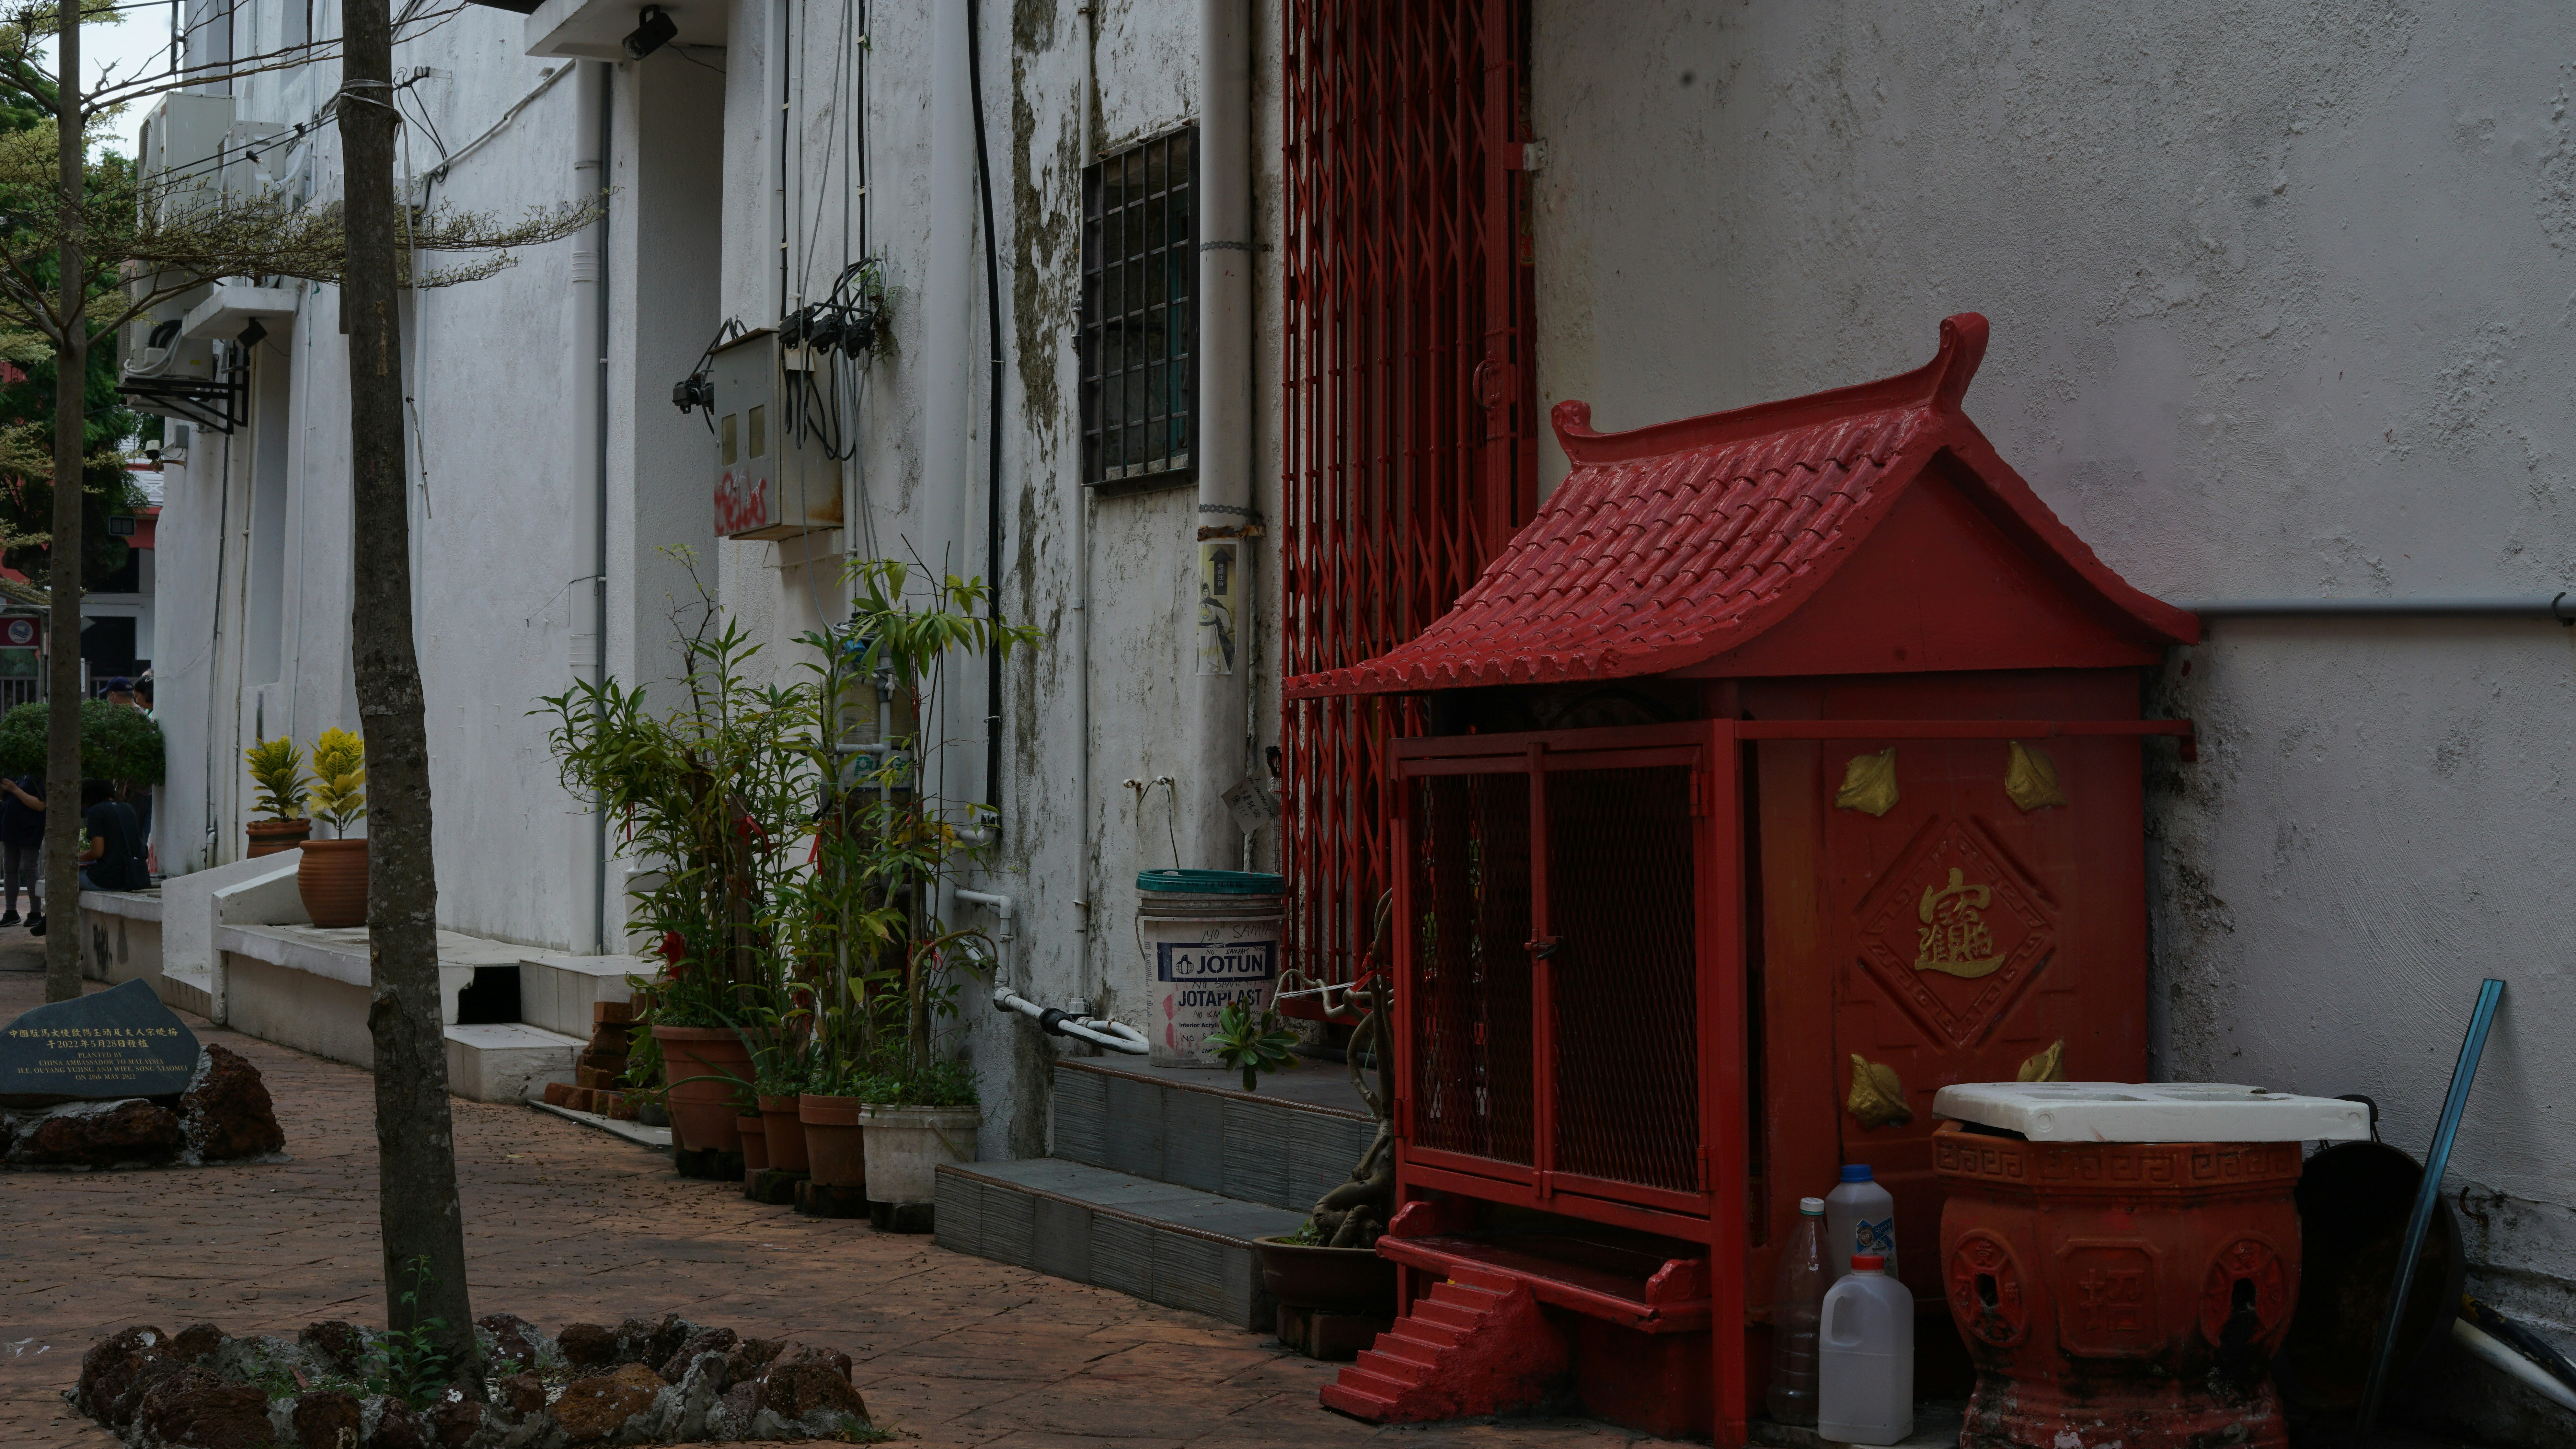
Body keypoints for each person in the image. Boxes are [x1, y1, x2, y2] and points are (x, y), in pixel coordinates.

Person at [75, 779, 147, 892]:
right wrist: (85, 854)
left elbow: (97, 853)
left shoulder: (96, 811)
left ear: (89, 797)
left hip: (108, 881)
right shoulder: (129, 808)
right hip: (130, 878)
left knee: (66, 875)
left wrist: (76, 858)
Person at [0, 771, 39, 926]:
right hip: (9, 826)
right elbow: (4, 797)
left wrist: (15, 789)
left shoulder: (36, 776)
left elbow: (41, 805)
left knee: (30, 868)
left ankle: (35, 912)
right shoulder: (10, 771)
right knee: (9, 869)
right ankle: (11, 912)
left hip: (29, 828)